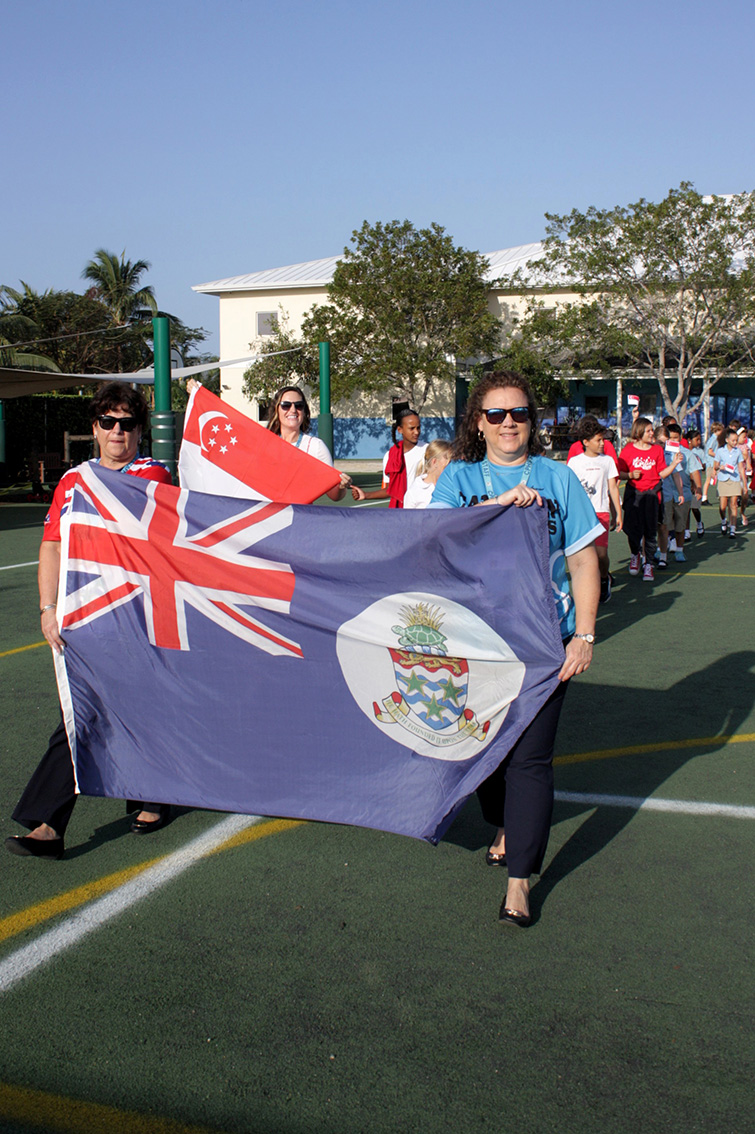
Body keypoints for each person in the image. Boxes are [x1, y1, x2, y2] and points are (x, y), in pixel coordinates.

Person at [429, 371, 601, 927]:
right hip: (472, 643)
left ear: (533, 420)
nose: (509, 424)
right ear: (479, 422)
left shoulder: (559, 477)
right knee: (484, 755)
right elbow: (431, 541)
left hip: (544, 642)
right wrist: (496, 506)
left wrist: (585, 634)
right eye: (498, 414)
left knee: (530, 759)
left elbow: (582, 561)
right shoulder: (458, 478)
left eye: (520, 414)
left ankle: (520, 882)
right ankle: (502, 821)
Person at [6, 382, 173, 859]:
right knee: (79, 712)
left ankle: (152, 798)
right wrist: (47, 607)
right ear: (94, 428)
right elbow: (53, 546)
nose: (117, 432)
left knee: (140, 705)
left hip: (139, 612)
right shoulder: (72, 481)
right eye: (108, 422)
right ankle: (48, 824)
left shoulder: (152, 474)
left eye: (127, 423)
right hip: (86, 615)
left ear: (139, 431)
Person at [618, 417, 682, 582]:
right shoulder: (628, 450)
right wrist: (631, 475)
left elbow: (661, 474)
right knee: (632, 530)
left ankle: (648, 564)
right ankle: (635, 555)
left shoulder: (657, 451)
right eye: (648, 430)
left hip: (653, 495)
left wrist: (674, 464)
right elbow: (619, 473)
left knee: (650, 531)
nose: (652, 433)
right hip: (634, 494)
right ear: (639, 432)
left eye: (652, 430)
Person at [567, 417, 623, 602]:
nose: (602, 443)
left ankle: (604, 577)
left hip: (601, 513)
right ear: (585, 442)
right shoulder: (574, 462)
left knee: (601, 555)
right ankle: (587, 590)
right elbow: (569, 489)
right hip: (580, 515)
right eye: (598, 440)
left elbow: (613, 488)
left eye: (603, 440)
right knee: (583, 556)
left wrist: (619, 513)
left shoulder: (607, 461)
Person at [266, 385, 351, 501]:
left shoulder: (316, 446)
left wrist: (341, 486)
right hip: (269, 515)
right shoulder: (266, 444)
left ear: (304, 410)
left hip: (299, 516)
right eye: (286, 405)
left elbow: (334, 495)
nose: (293, 410)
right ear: (277, 409)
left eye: (299, 405)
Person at [351, 408, 427, 508]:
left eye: (418, 428)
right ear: (400, 430)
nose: (416, 432)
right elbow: (390, 490)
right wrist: (365, 495)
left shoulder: (428, 451)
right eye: (411, 428)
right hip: (401, 513)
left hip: (425, 510)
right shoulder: (390, 456)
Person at [713, 427, 747, 538]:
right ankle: (724, 521)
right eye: (733, 440)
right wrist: (720, 467)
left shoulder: (738, 452)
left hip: (735, 480)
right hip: (723, 480)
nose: (735, 442)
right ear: (727, 440)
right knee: (722, 506)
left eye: (736, 440)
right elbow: (715, 465)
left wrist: (745, 484)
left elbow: (741, 468)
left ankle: (733, 528)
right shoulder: (720, 451)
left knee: (733, 504)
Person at [402, 440, 451, 509]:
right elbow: (407, 518)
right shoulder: (414, 492)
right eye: (449, 462)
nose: (452, 466)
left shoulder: (453, 486)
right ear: (435, 462)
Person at [702, 422, 725, 502]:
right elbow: (710, 452)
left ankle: (719, 495)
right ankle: (704, 497)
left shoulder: (716, 439)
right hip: (711, 463)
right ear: (717, 430)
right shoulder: (713, 439)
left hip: (714, 462)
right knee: (708, 480)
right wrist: (719, 455)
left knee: (718, 479)